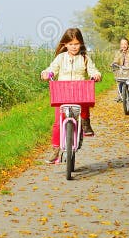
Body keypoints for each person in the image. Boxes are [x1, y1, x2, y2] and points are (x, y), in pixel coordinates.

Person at [40, 28, 102, 164]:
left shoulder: (85, 58)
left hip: (79, 91)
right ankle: (56, 151)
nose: (74, 47)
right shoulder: (61, 58)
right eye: (71, 44)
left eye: (77, 44)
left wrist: (96, 75)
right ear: (65, 45)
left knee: (86, 100)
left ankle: (85, 122)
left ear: (81, 44)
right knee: (57, 123)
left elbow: (93, 70)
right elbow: (52, 68)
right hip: (62, 93)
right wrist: (46, 73)